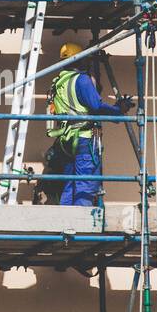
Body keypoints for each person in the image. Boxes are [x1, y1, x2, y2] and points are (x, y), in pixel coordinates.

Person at [46, 41, 128, 207]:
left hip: (66, 140)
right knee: (85, 185)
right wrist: (119, 109)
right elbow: (96, 106)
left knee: (70, 185)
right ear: (79, 60)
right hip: (84, 138)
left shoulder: (58, 82)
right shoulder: (81, 80)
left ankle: (66, 226)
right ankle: (81, 230)